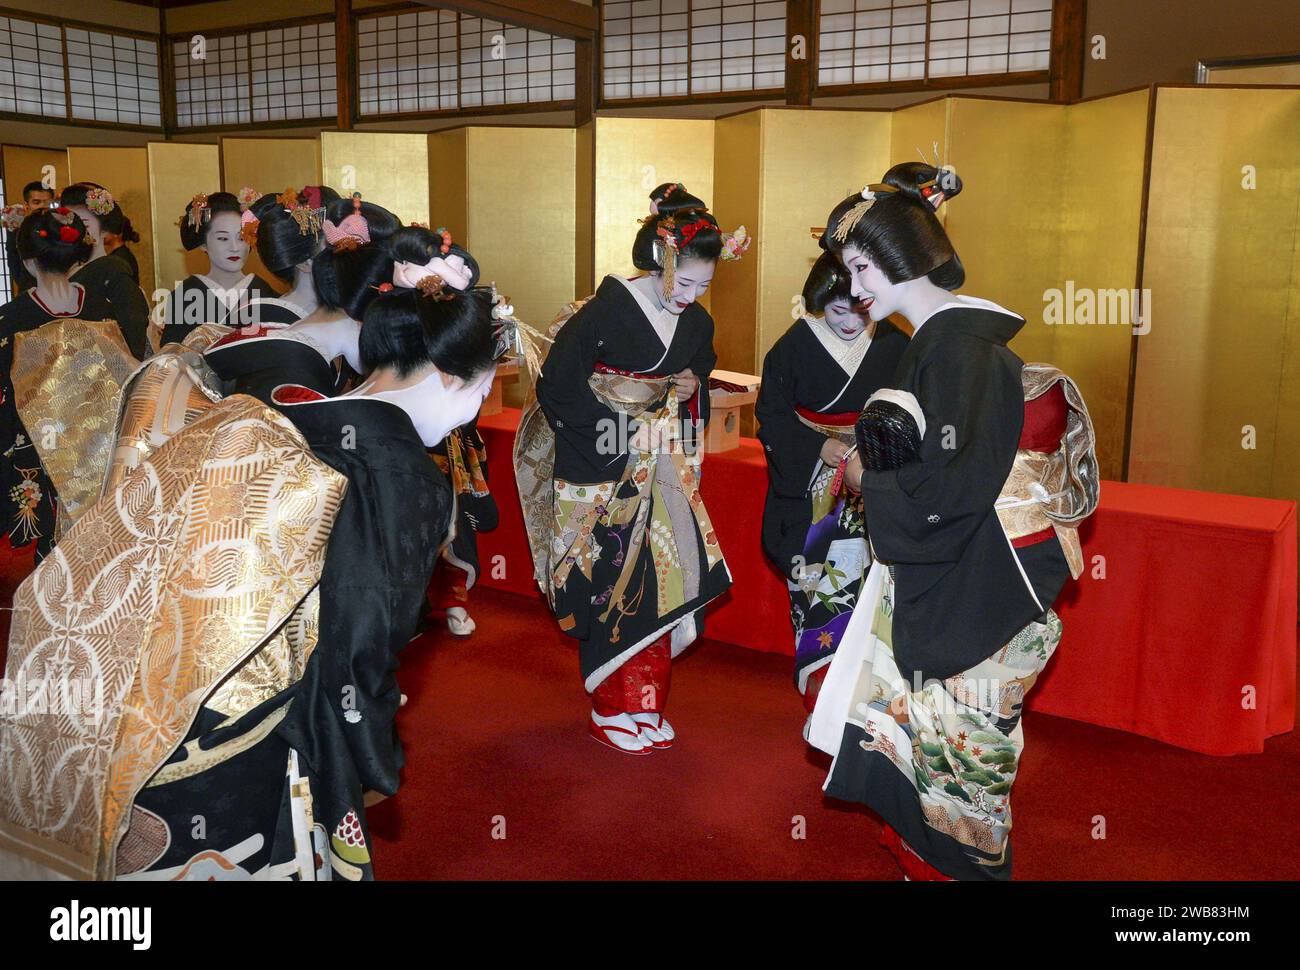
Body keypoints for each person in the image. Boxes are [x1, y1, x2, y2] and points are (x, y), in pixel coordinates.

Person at [807, 162, 1099, 881]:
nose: (855, 286)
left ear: (903, 256)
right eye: (849, 269)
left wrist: (864, 477)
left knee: (963, 761)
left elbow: (950, 490)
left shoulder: (957, 350)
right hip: (974, 563)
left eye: (863, 265)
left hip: (983, 578)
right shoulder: (942, 342)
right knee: (935, 747)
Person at [518, 182, 749, 754]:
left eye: (704, 285)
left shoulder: (695, 323)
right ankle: (607, 707)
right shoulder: (605, 311)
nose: (691, 296)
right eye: (684, 281)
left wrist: (689, 389)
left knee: (660, 585)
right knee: (606, 583)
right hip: (598, 460)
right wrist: (622, 433)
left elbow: (698, 372)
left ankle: (644, 704)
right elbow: (557, 385)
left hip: (658, 460)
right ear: (659, 257)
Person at [755, 251, 908, 716]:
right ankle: (821, 693)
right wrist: (816, 446)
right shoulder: (795, 345)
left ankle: (864, 702)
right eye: (836, 312)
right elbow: (771, 416)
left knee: (872, 593)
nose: (848, 323)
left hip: (875, 483)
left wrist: (877, 447)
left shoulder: (896, 345)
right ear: (819, 303)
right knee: (814, 588)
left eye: (859, 312)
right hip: (814, 487)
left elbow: (915, 414)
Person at [0, 206, 121, 560]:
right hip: (99, 442)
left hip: (38, 443)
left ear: (27, 261)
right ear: (73, 258)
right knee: (103, 547)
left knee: (50, 554)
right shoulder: (100, 306)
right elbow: (124, 374)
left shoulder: (11, 319)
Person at [202, 194, 400, 402]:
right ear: (305, 262)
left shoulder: (330, 316)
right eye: (338, 248)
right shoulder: (265, 318)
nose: (351, 258)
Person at [160, 189, 279, 346]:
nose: (235, 247)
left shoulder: (266, 294)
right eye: (223, 238)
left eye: (242, 237)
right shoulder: (186, 295)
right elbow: (172, 356)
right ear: (203, 243)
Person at [58, 183, 151, 359]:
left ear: (105, 227)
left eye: (83, 223)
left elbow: (134, 331)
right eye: (68, 224)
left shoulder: (113, 270)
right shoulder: (64, 273)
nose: (75, 231)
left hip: (110, 370)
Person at [237, 185, 342, 325]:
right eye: (334, 245)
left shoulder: (351, 313)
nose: (349, 252)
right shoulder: (260, 320)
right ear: (305, 262)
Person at [4, 180, 53, 296]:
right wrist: (22, 283)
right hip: (28, 290)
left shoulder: (61, 227)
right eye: (36, 202)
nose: (42, 206)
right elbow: (13, 258)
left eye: (47, 203)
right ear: (26, 205)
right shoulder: (18, 230)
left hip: (57, 290)